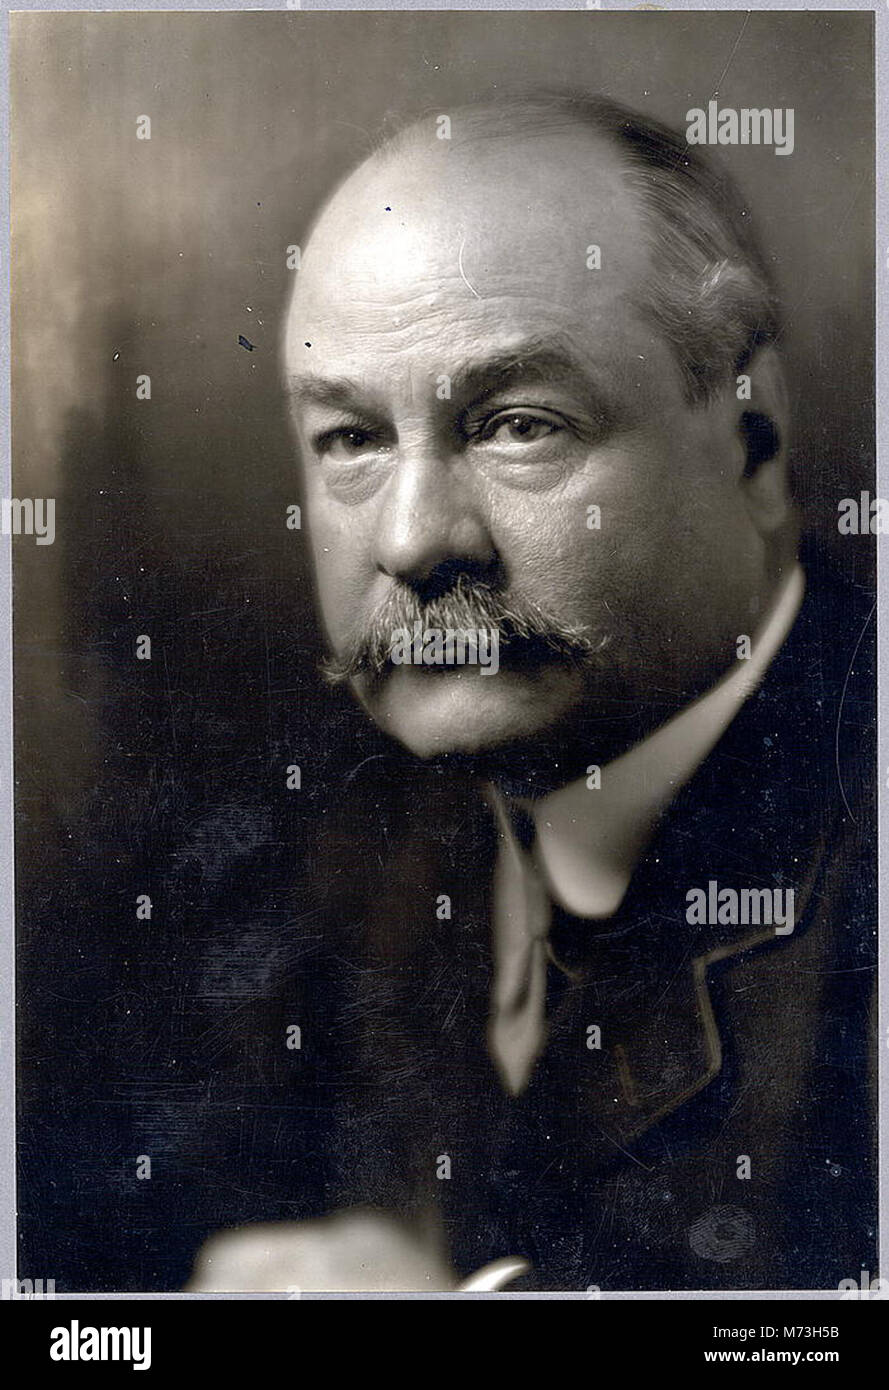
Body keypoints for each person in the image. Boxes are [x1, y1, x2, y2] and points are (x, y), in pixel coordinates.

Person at [189, 94, 875, 1292]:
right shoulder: (336, 842)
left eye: (517, 425)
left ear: (753, 446)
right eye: (352, 439)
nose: (409, 542)